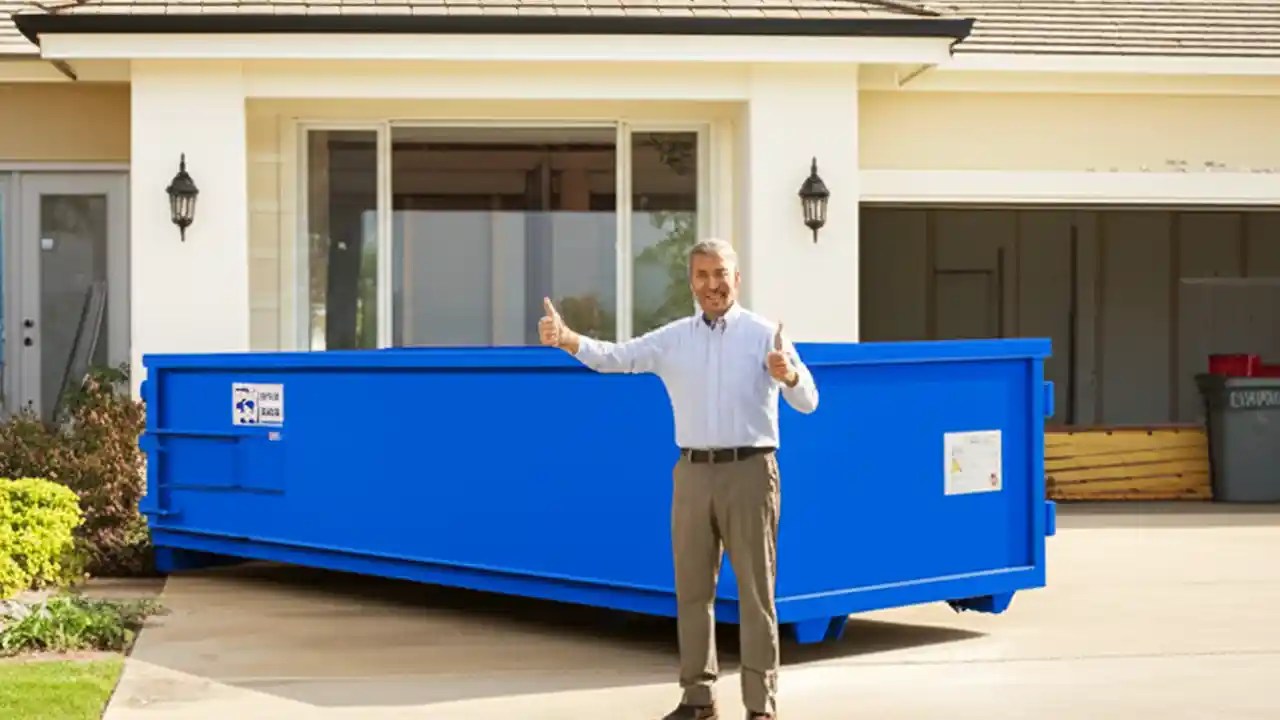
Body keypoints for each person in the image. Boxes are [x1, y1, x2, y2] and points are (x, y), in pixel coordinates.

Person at [538, 238, 819, 720]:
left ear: (737, 278)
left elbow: (810, 401)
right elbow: (616, 356)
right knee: (692, 592)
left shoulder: (764, 334)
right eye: (703, 275)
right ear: (691, 282)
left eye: (721, 274)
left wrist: (789, 374)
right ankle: (698, 697)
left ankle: (761, 706)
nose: (713, 284)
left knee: (756, 595)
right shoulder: (673, 339)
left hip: (751, 472)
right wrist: (568, 339)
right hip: (691, 474)